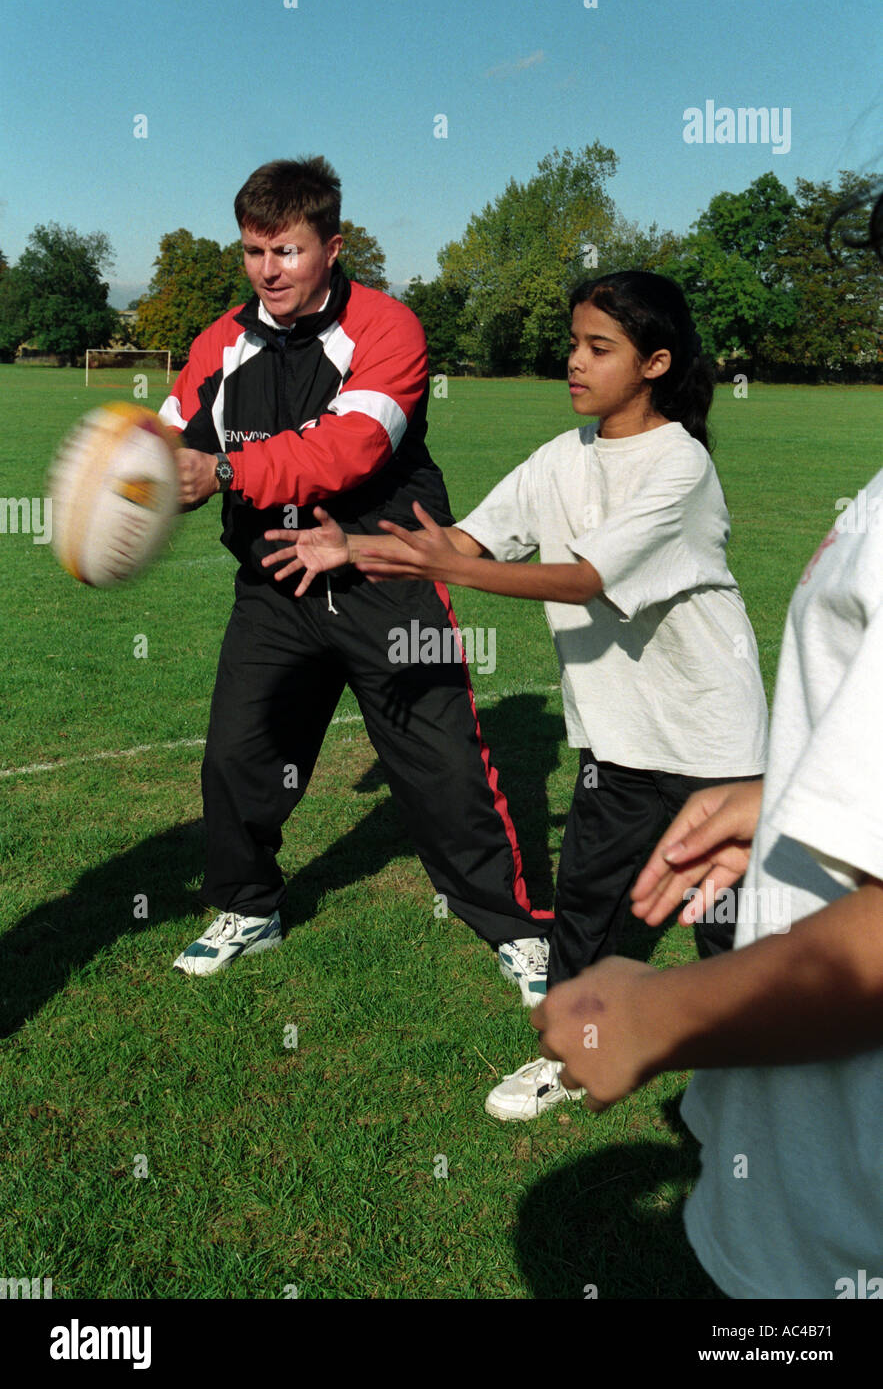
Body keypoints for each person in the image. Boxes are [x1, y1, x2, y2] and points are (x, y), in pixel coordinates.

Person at [264, 271, 768, 1120]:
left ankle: (757, 1090)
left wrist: (448, 566)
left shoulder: (678, 465)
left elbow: (582, 579)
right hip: (615, 736)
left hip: (711, 739)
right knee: (583, 908)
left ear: (654, 363)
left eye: (596, 348)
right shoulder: (559, 458)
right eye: (572, 343)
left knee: (724, 925)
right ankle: (571, 1059)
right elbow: (466, 536)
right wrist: (351, 547)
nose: (573, 362)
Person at [526, 182, 883, 1297]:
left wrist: (655, 1013)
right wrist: (786, 797)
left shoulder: (678, 461)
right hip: (808, 1201)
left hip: (838, 1246)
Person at [160, 155, 551, 985]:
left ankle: (515, 929)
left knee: (445, 770)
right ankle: (249, 908)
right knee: (237, 756)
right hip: (274, 584)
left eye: (287, 252)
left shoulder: (386, 328)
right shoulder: (217, 344)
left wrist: (225, 473)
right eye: (253, 252)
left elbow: (351, 448)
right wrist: (134, 482)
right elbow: (169, 446)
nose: (268, 271)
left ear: (331, 247)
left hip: (386, 573)